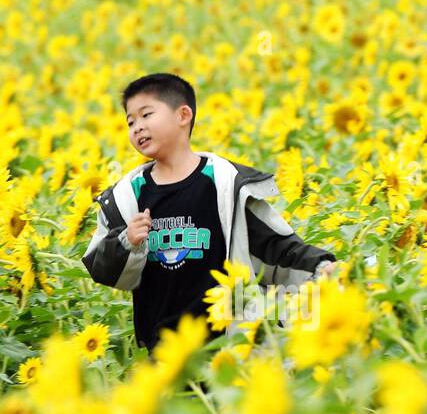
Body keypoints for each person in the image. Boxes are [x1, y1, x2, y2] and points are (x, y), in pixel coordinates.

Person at [82, 72, 337, 355]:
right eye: (130, 122)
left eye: (146, 115)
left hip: (227, 346)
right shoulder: (129, 195)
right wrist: (127, 242)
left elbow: (274, 246)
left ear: (183, 115)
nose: (137, 127)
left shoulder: (225, 184)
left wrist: (319, 267)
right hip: (165, 353)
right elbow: (99, 266)